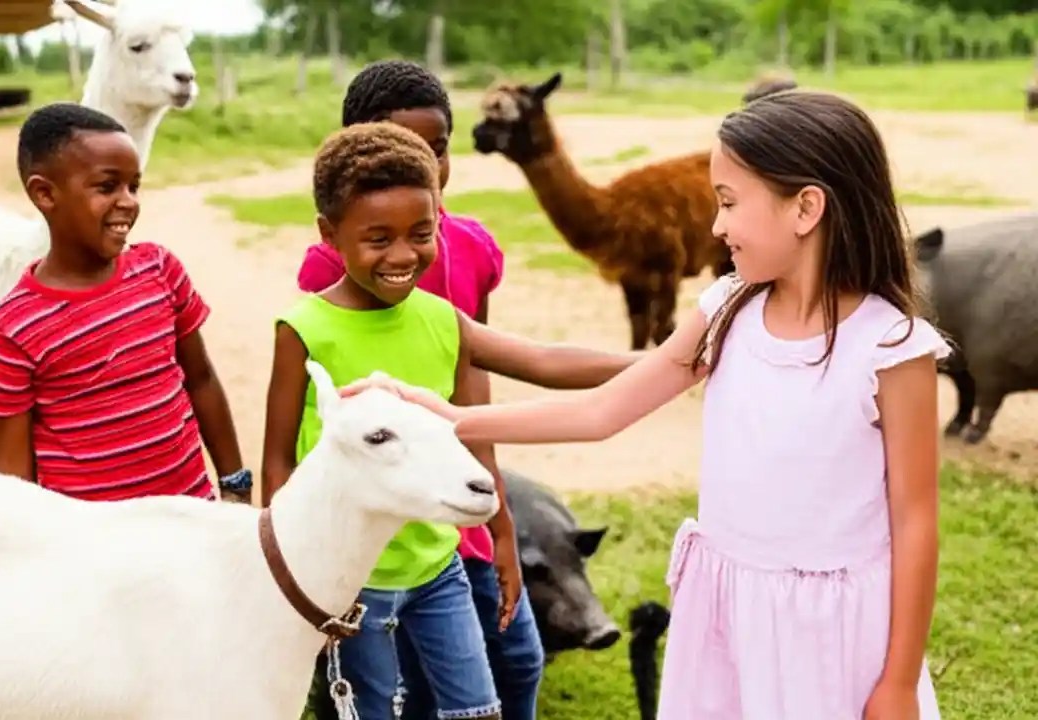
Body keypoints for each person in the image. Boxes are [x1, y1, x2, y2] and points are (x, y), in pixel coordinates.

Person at [344, 91, 947, 720]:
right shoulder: (727, 309)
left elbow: (915, 523)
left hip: (832, 634)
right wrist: (448, 418)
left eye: (729, 203)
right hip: (729, 612)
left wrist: (900, 680)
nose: (714, 227)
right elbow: (601, 412)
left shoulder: (890, 349)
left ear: (806, 208)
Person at [262, 121, 639, 720]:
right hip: (353, 578)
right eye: (377, 238)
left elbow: (534, 369)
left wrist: (668, 362)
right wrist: (288, 573)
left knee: (476, 710)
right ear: (329, 235)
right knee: (370, 712)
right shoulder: (305, 328)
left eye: (421, 233)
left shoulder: (441, 320)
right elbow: (278, 458)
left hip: (439, 568)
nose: (403, 255)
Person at [295, 58, 545, 720]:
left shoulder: (471, 248)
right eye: (400, 146)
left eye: (435, 149)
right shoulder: (331, 269)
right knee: (395, 689)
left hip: (459, 500)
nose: (423, 166)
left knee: (518, 659)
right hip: (389, 522)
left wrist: (502, 521)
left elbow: (474, 381)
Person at [0, 102, 251, 503]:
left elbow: (201, 379)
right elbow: (10, 473)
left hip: (192, 524)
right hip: (95, 549)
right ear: (44, 194)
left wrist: (234, 484)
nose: (128, 201)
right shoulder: (13, 327)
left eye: (133, 186)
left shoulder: (160, 271)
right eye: (107, 187)